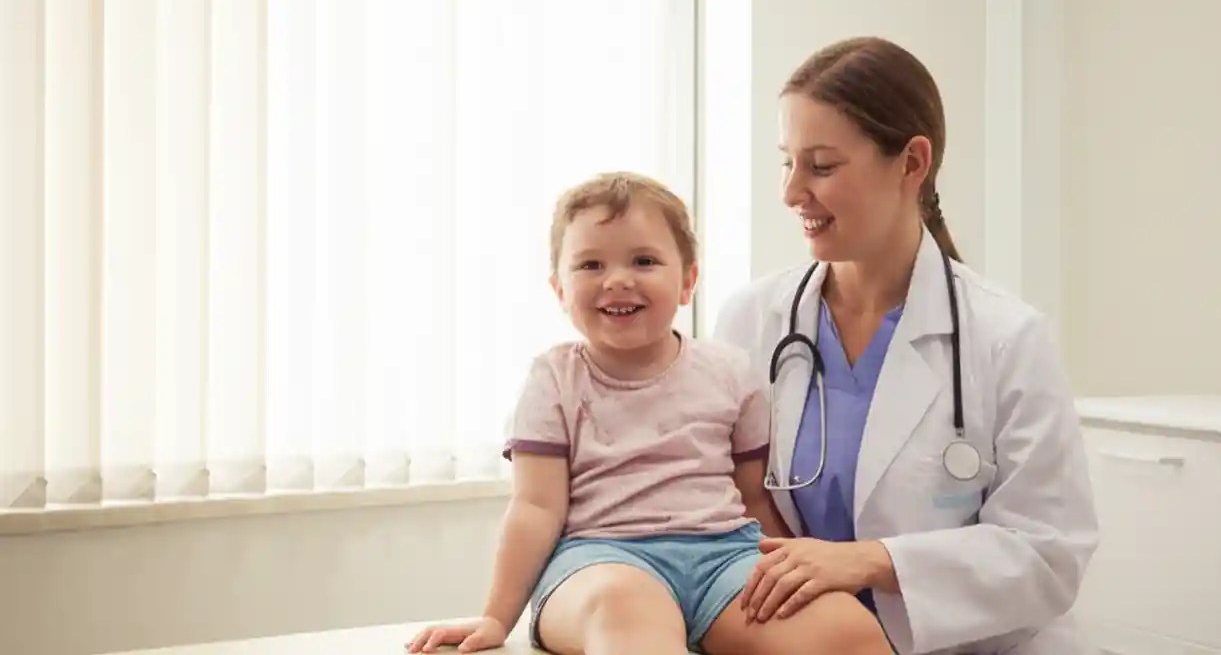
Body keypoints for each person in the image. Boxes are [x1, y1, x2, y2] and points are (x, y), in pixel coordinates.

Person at [712, 36, 1100, 654]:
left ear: (912, 162)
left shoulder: (1007, 337)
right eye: (787, 161)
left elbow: (1049, 553)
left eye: (822, 166)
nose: (791, 192)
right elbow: (712, 498)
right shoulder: (752, 321)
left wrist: (872, 562)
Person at [405, 173, 892, 654]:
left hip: (724, 558)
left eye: (644, 260)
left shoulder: (729, 371)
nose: (617, 279)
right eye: (590, 265)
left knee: (847, 629)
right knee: (626, 615)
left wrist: (791, 568)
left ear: (688, 281)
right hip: (600, 558)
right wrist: (495, 618)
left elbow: (755, 499)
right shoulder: (554, 379)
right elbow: (536, 508)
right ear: (559, 290)